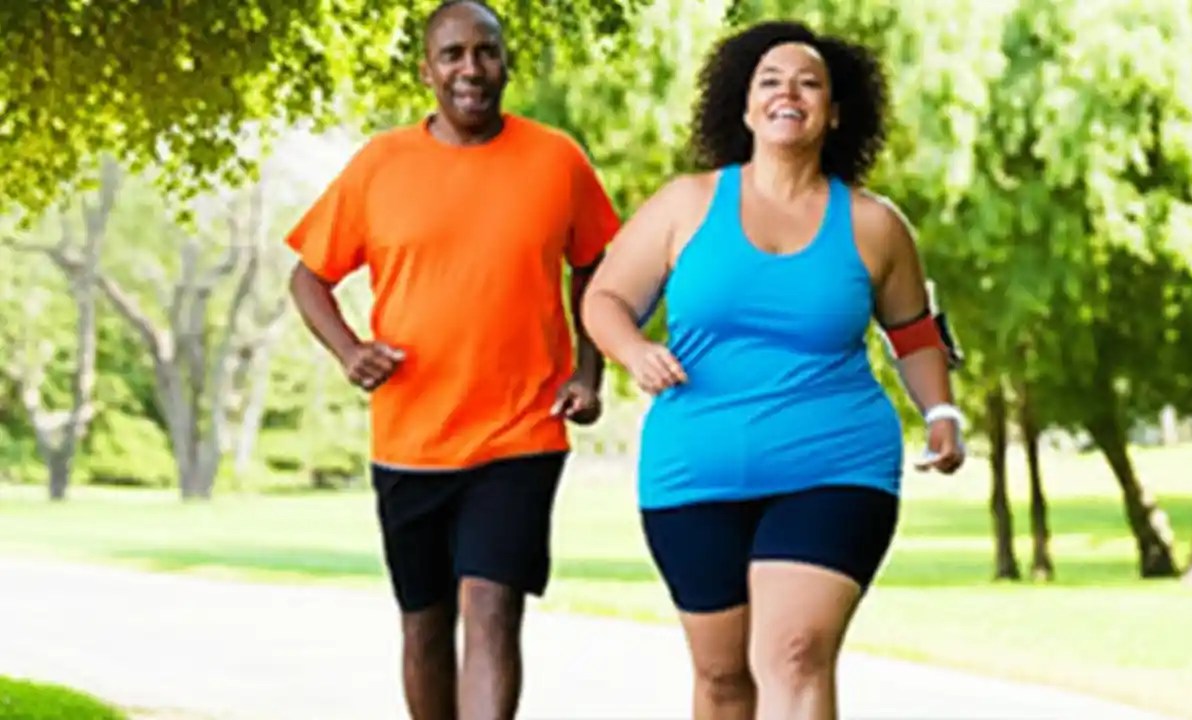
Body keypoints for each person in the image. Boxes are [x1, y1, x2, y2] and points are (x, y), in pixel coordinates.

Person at [582, 19, 966, 720]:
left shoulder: (876, 225)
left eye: (809, 82)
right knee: (725, 679)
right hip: (695, 468)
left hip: (835, 463)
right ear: (744, 105)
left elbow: (912, 333)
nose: (789, 92)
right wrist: (633, 352)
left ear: (836, 111)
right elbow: (604, 298)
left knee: (793, 654)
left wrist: (941, 412)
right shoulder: (686, 205)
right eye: (771, 81)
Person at [282, 1, 621, 718]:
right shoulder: (381, 164)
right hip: (411, 439)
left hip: (521, 431)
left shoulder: (556, 158)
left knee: (493, 608)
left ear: (506, 61)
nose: (472, 69)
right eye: (453, 55)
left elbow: (598, 268)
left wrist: (590, 373)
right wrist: (350, 352)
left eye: (486, 52)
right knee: (425, 625)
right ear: (427, 71)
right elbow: (308, 278)